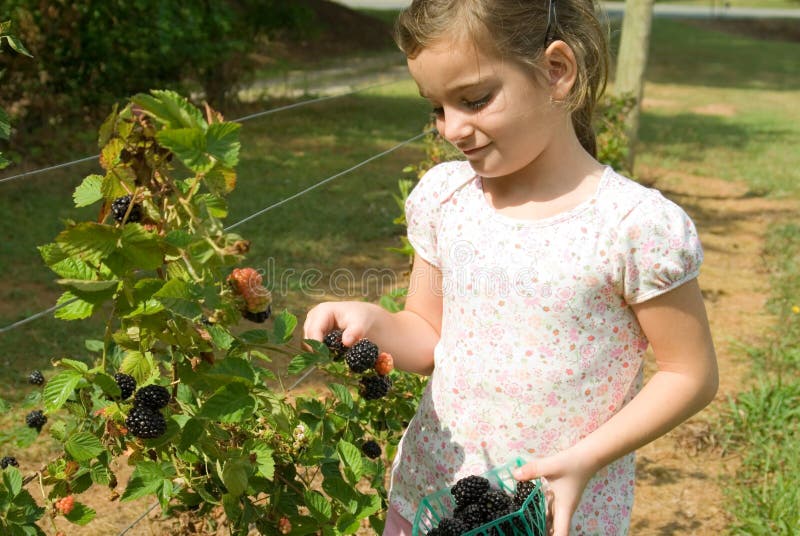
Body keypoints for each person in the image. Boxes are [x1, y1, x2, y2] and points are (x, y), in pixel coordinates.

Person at [303, 0, 719, 533]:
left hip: (551, 510)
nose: (451, 128)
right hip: (434, 490)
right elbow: (427, 334)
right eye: (436, 107)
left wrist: (586, 458)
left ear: (555, 71)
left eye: (473, 100)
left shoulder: (634, 227)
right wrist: (371, 322)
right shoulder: (446, 199)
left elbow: (691, 374)